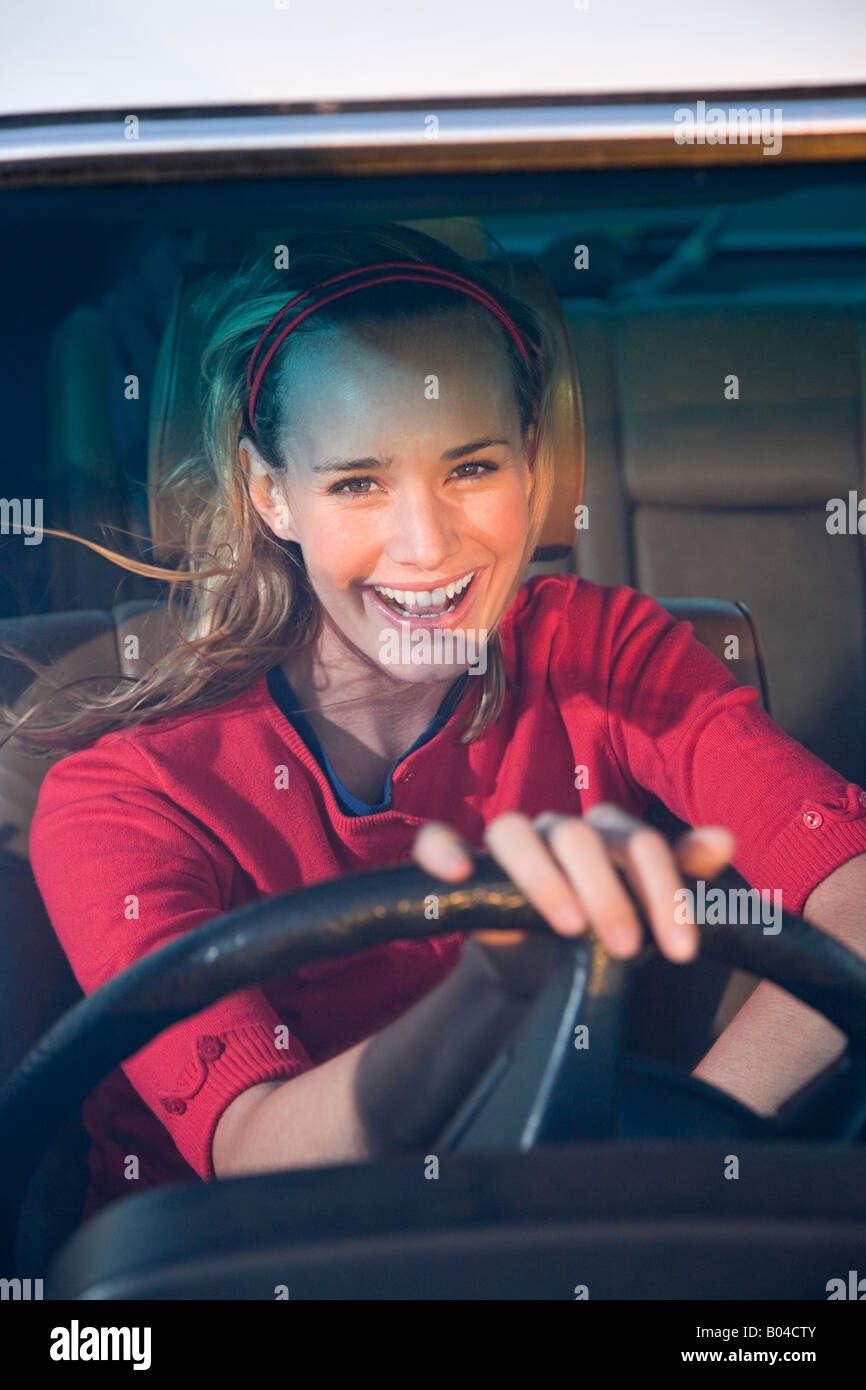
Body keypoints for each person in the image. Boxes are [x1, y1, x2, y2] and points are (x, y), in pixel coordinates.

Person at [9, 221, 866, 1227]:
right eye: (357, 482)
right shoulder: (125, 794)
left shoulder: (598, 652)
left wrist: (688, 1153)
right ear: (269, 494)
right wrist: (497, 979)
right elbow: (255, 1151)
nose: (426, 545)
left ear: (532, 464)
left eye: (470, 469)